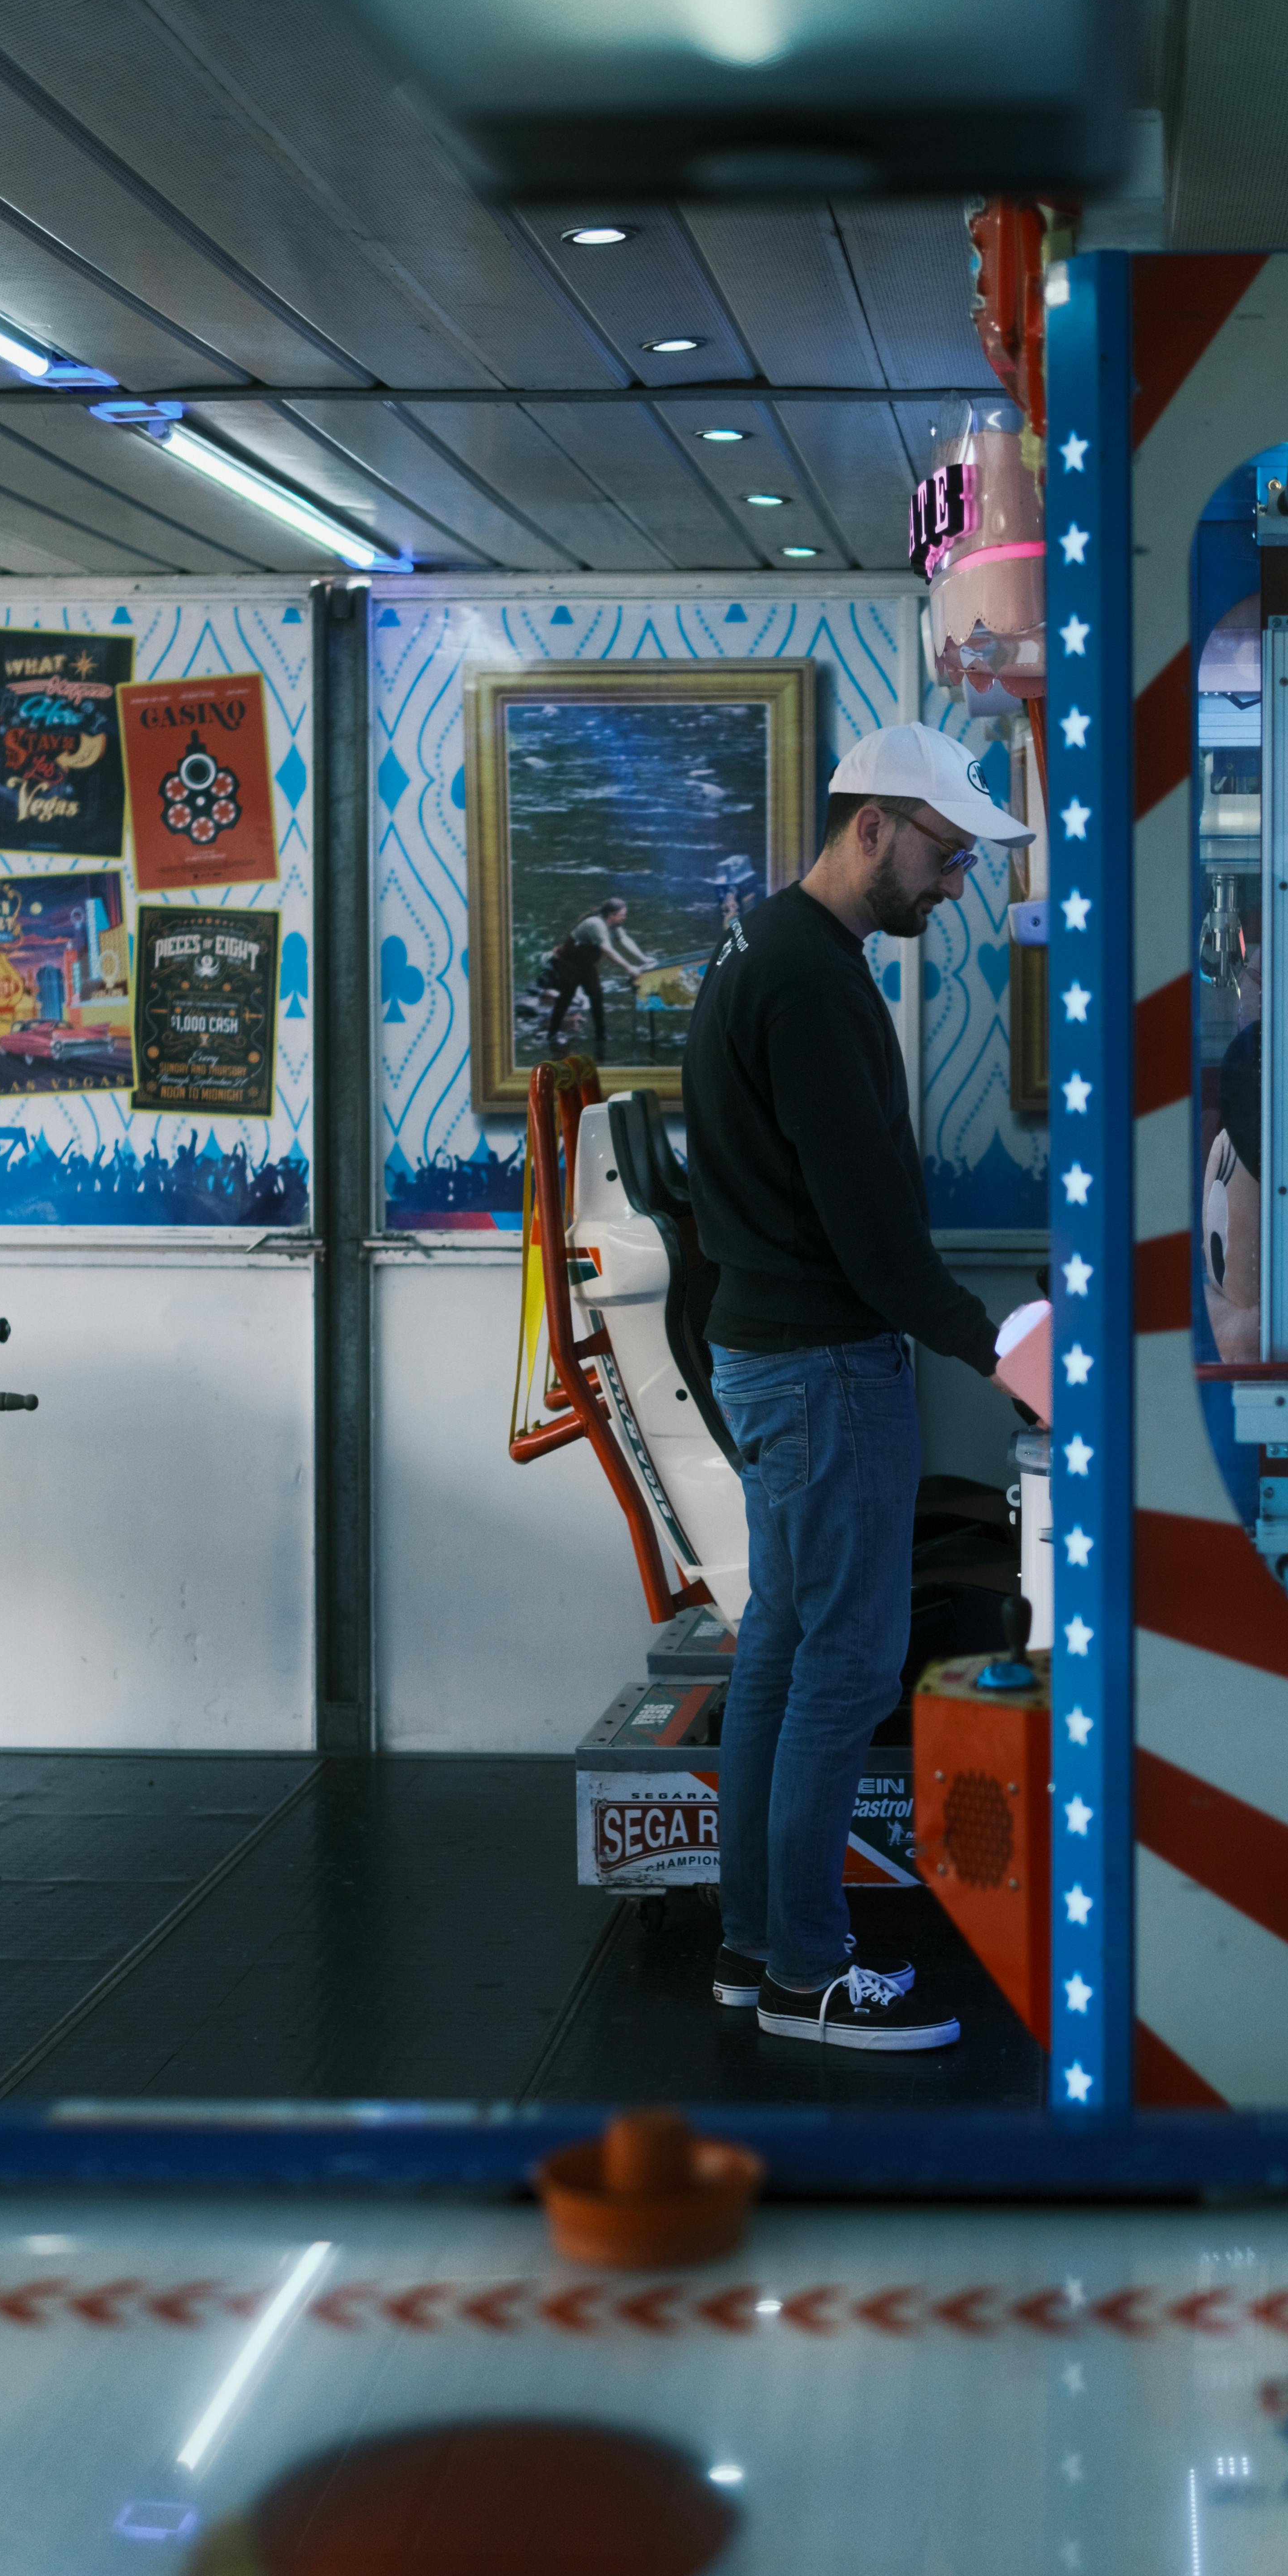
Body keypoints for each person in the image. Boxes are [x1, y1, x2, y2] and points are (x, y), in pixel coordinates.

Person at [681, 720, 1035, 2051]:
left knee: (779, 1646)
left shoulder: (759, 945)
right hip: (822, 1368)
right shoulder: (816, 986)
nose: (953, 890)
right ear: (873, 823)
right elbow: (875, 1243)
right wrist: (1004, 1352)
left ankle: (754, 1944)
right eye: (946, 857)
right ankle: (810, 1976)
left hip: (770, 1354)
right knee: (844, 1660)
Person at [542, 899, 653, 1056]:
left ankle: (601, 1036)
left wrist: (644, 959)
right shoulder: (596, 924)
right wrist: (629, 968)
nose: (624, 918)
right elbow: (607, 950)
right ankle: (551, 1036)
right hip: (568, 966)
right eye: (622, 915)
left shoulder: (614, 926)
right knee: (565, 999)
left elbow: (625, 941)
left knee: (597, 998)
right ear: (612, 915)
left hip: (587, 967)